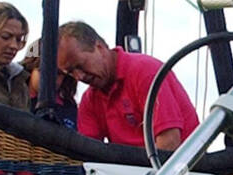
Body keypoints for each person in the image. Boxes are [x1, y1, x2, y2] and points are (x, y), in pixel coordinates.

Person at [57, 21, 200, 151]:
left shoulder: (145, 71)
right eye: (71, 73)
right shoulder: (90, 100)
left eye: (80, 66)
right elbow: (86, 153)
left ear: (99, 47)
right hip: (131, 174)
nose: (79, 77)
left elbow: (169, 143)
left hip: (182, 173)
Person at [21, 38, 79, 128]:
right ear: (31, 66)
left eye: (58, 74)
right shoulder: (13, 96)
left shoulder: (70, 109)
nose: (51, 78)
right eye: (45, 71)